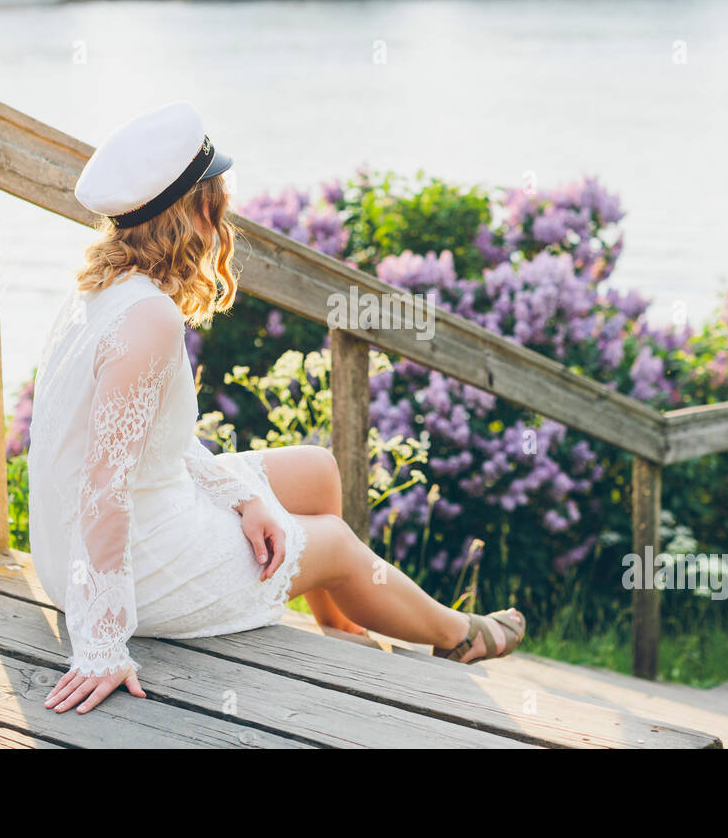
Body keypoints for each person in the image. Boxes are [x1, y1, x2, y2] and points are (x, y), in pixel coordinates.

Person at [28, 102, 525, 716]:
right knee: (337, 544)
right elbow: (106, 487)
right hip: (135, 564)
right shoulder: (147, 316)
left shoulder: (100, 290)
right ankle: (459, 636)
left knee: (317, 469)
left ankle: (344, 631)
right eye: (219, 200)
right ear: (197, 211)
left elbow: (147, 444)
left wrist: (244, 497)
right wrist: (100, 646)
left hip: (80, 542)